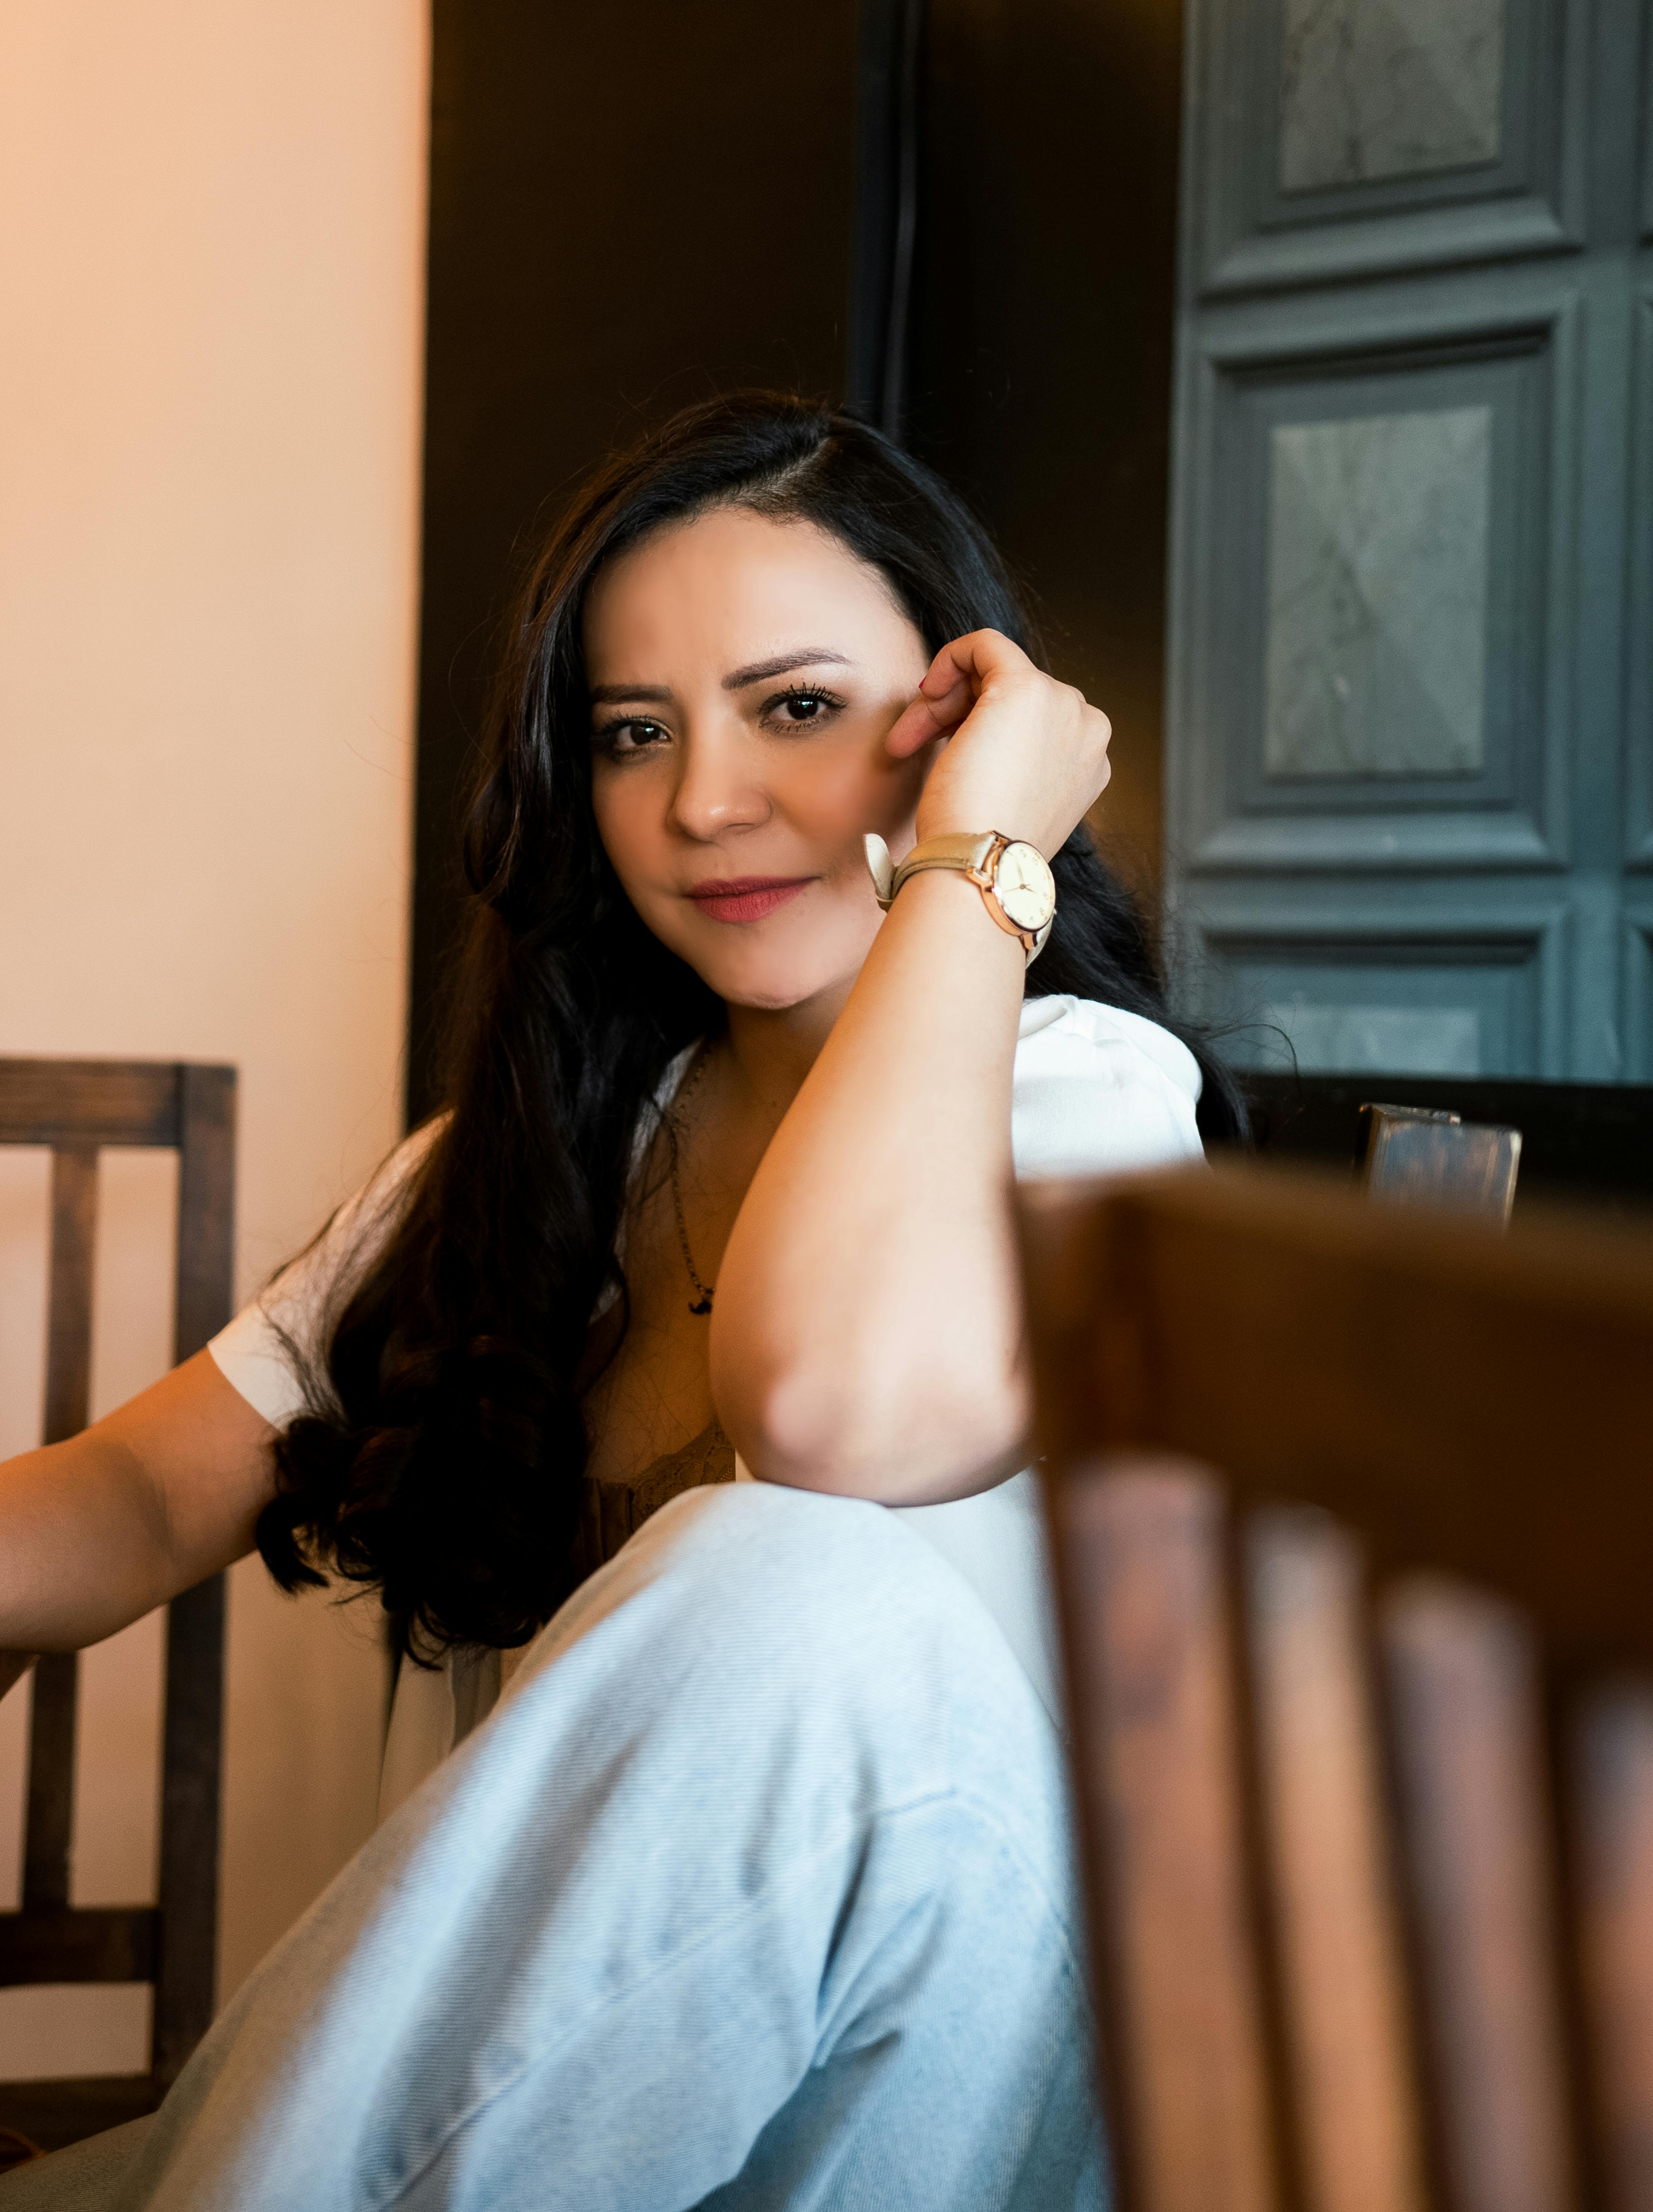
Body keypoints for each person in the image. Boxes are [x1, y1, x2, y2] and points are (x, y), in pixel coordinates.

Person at [2, 393, 1241, 2209]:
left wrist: (986, 861)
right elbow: (128, 1496)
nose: (704, 800)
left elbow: (827, 1415)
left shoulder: (1084, 1102)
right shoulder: (544, 1151)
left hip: (969, 2108)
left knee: (793, 1574)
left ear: (965, 719)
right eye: (631, 732)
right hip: (597, 2149)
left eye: (797, 707)